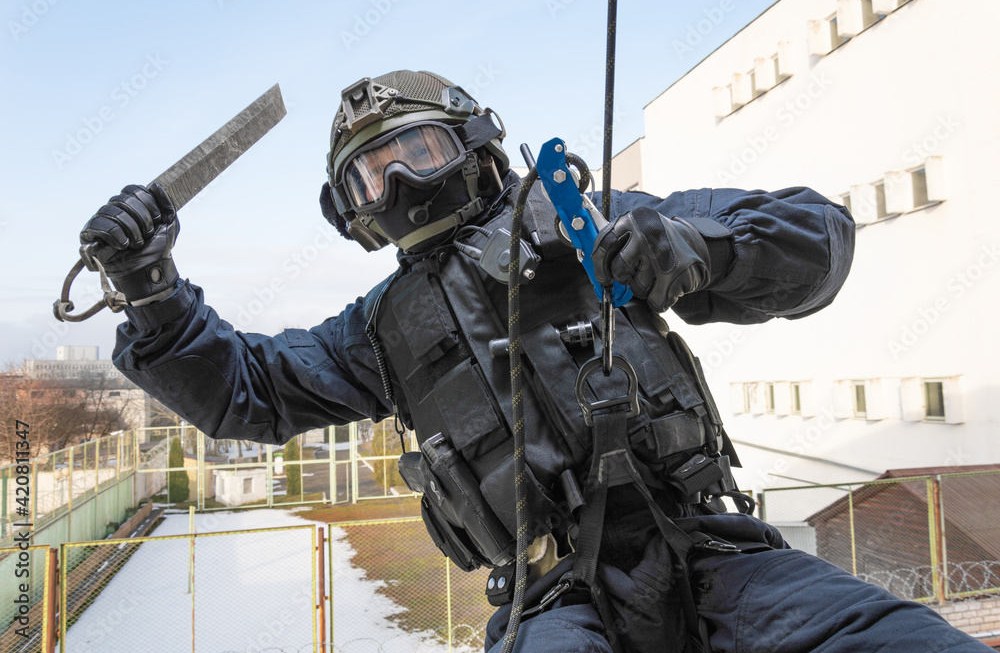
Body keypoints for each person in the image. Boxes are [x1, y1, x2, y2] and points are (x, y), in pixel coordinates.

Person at [80, 70, 990, 653]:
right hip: (551, 600)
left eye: (418, 150)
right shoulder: (376, 332)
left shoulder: (593, 220)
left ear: (474, 145)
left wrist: (699, 249)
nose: (398, 183)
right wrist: (152, 291)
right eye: (370, 175)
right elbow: (245, 390)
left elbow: (819, 235)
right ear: (349, 209)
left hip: (717, 554)